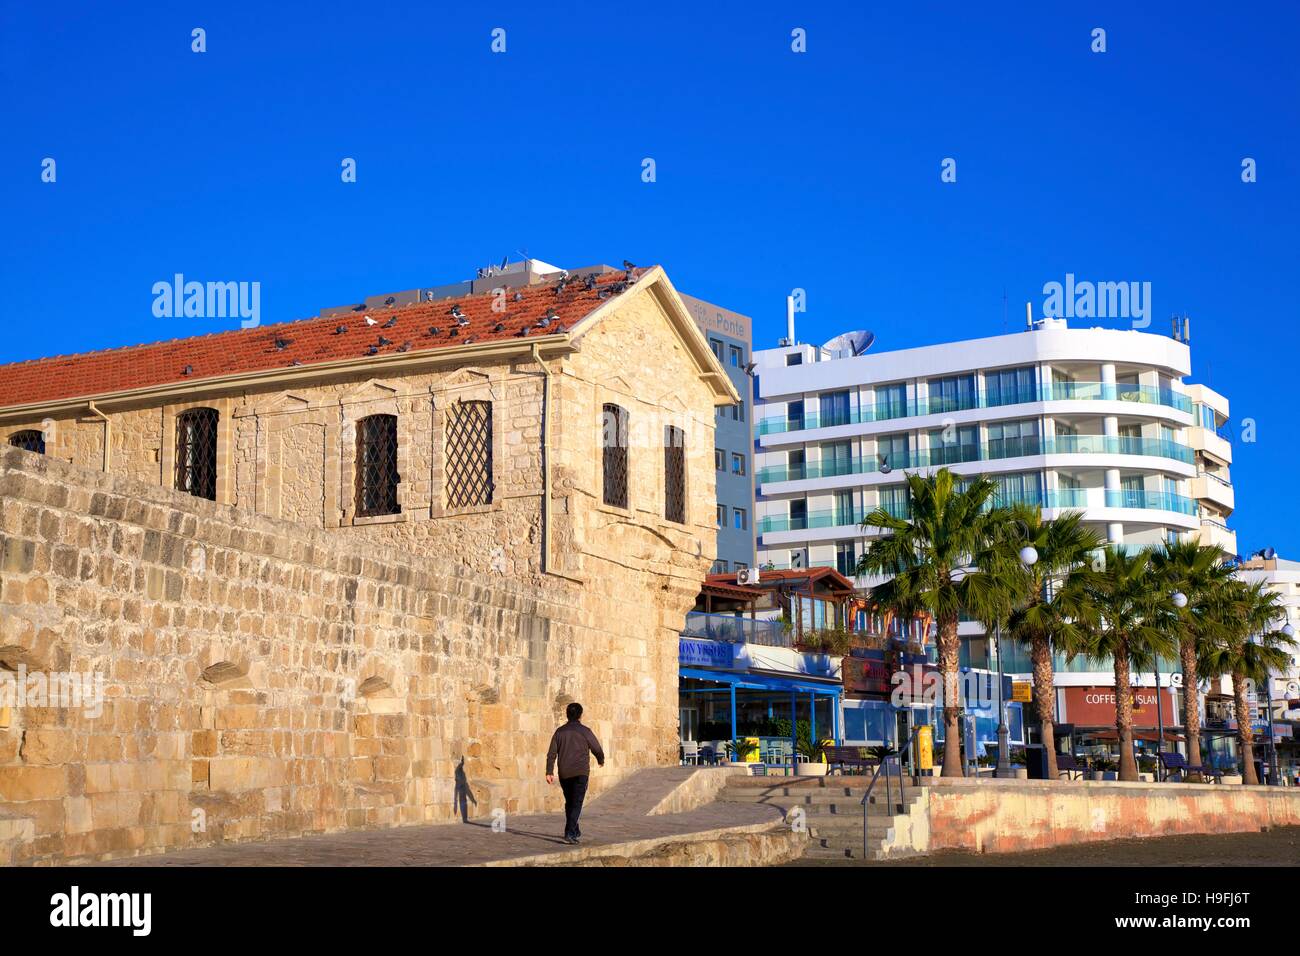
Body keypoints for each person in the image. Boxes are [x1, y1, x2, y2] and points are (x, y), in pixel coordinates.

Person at [545, 702, 605, 844]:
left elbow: (551, 753)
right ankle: (570, 833)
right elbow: (596, 748)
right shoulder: (585, 731)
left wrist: (549, 771)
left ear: (567, 714)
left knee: (570, 802)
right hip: (580, 772)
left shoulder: (559, 732)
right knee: (576, 803)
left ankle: (575, 830)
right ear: (580, 715)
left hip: (564, 773)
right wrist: (600, 759)